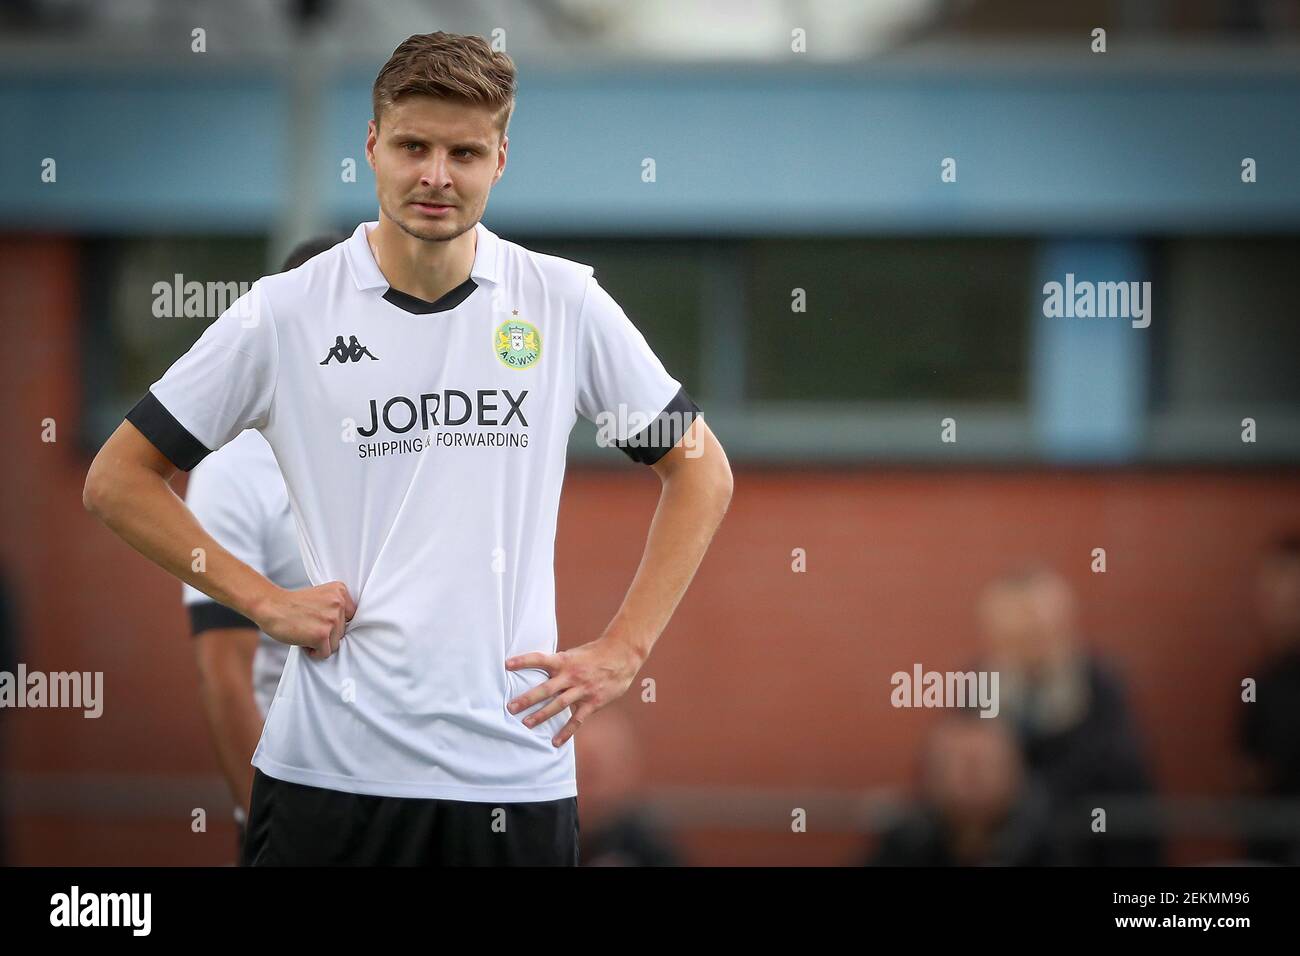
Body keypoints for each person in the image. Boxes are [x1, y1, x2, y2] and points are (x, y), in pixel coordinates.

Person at [83, 31, 733, 866]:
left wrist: (625, 649)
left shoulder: (560, 302)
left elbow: (699, 470)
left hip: (513, 775)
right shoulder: (285, 313)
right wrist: (264, 601)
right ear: (371, 147)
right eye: (412, 146)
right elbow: (117, 479)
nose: (436, 175)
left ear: (501, 158)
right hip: (329, 775)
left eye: (464, 152)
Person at [182, 235, 343, 860]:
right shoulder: (232, 464)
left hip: (409, 783)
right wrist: (269, 819)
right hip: (302, 789)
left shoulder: (399, 439)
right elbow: (224, 671)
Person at [975, 564, 1163, 865]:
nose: (1028, 644)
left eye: (1037, 632)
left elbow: (1121, 769)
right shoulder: (979, 684)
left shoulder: (1098, 684)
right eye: (1016, 635)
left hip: (1088, 844)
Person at [1237, 531, 1300, 864]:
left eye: (1287, 597)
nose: (1272, 605)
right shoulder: (1259, 681)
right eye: (1268, 593)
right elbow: (1248, 771)